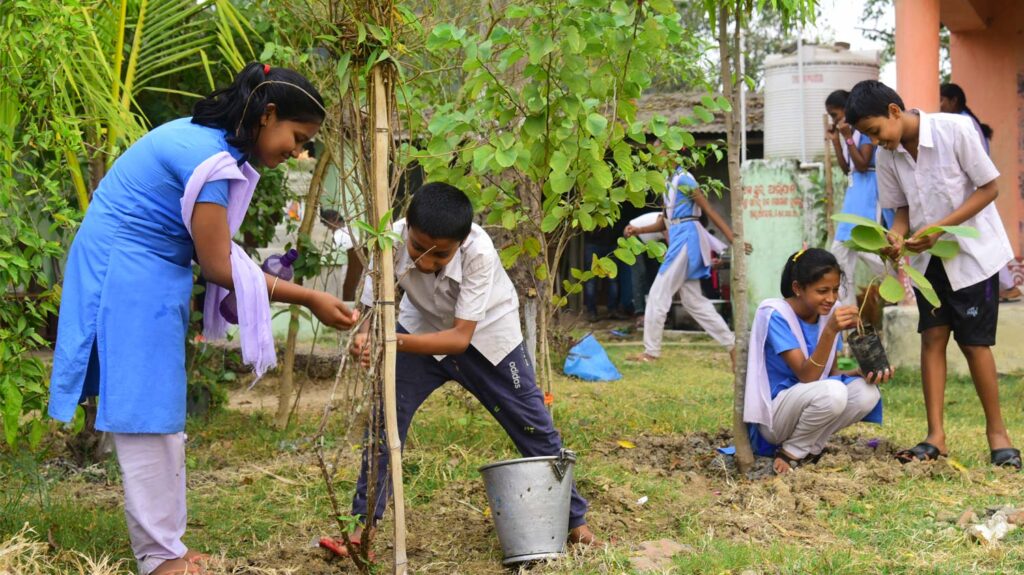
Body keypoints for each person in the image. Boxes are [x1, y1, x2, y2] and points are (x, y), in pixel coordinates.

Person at [47, 63, 359, 575]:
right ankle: (158, 557)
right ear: (269, 114)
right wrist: (309, 298)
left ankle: (167, 546)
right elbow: (217, 264)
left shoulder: (218, 147)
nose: (298, 152)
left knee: (159, 408)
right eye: (297, 138)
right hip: (126, 268)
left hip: (146, 268)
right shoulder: (210, 159)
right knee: (146, 412)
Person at [335, 183, 597, 555]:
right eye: (417, 249)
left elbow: (459, 338)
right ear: (406, 227)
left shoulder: (480, 252)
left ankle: (575, 522)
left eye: (440, 255)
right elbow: (372, 305)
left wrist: (390, 343)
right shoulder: (388, 239)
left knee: (533, 427)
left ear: (460, 242)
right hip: (420, 327)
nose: (425, 263)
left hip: (489, 339)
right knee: (384, 420)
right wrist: (365, 336)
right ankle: (363, 527)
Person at [846, 80, 1020, 469]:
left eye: (875, 131)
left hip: (972, 254)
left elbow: (989, 188)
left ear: (894, 111)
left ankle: (999, 437)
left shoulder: (953, 130)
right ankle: (935, 437)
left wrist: (940, 228)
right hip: (928, 262)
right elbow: (902, 210)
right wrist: (896, 236)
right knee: (933, 337)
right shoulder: (888, 156)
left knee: (975, 343)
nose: (876, 142)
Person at [743, 249, 890, 474]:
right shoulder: (775, 313)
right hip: (774, 417)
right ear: (797, 288)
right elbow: (807, 375)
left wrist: (860, 372)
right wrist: (830, 330)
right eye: (822, 291)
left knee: (867, 393)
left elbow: (830, 373)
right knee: (834, 392)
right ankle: (793, 450)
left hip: (809, 403)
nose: (831, 299)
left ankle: (809, 447)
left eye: (835, 290)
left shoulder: (827, 314)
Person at [624, 166, 748, 364]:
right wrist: (638, 230)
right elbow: (664, 222)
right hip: (680, 238)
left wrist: (735, 240)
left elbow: (708, 209)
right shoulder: (668, 183)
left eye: (660, 148)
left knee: (658, 293)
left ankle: (651, 352)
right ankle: (732, 345)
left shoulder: (684, 180)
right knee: (693, 301)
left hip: (686, 240)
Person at [825, 89, 894, 307]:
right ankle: (850, 316)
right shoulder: (850, 135)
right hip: (854, 192)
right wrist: (837, 141)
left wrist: (847, 138)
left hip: (868, 191)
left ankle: (899, 286)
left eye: (835, 115)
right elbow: (848, 168)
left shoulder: (864, 132)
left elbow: (863, 164)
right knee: (841, 253)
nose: (834, 120)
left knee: (868, 245)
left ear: (846, 110)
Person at [939, 83, 992, 155]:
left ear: (954, 101)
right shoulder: (965, 120)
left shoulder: (962, 122)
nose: (938, 105)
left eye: (941, 100)